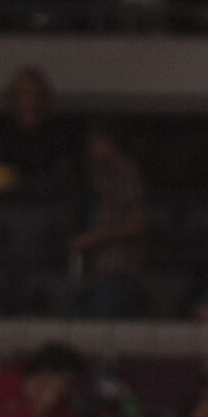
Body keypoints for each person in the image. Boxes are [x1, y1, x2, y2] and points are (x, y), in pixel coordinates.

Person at [69, 125, 149, 318]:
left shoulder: (125, 174)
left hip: (119, 271)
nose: (92, 149)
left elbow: (136, 224)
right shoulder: (103, 177)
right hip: (98, 272)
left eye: (96, 143)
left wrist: (92, 238)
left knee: (104, 331)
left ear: (109, 143)